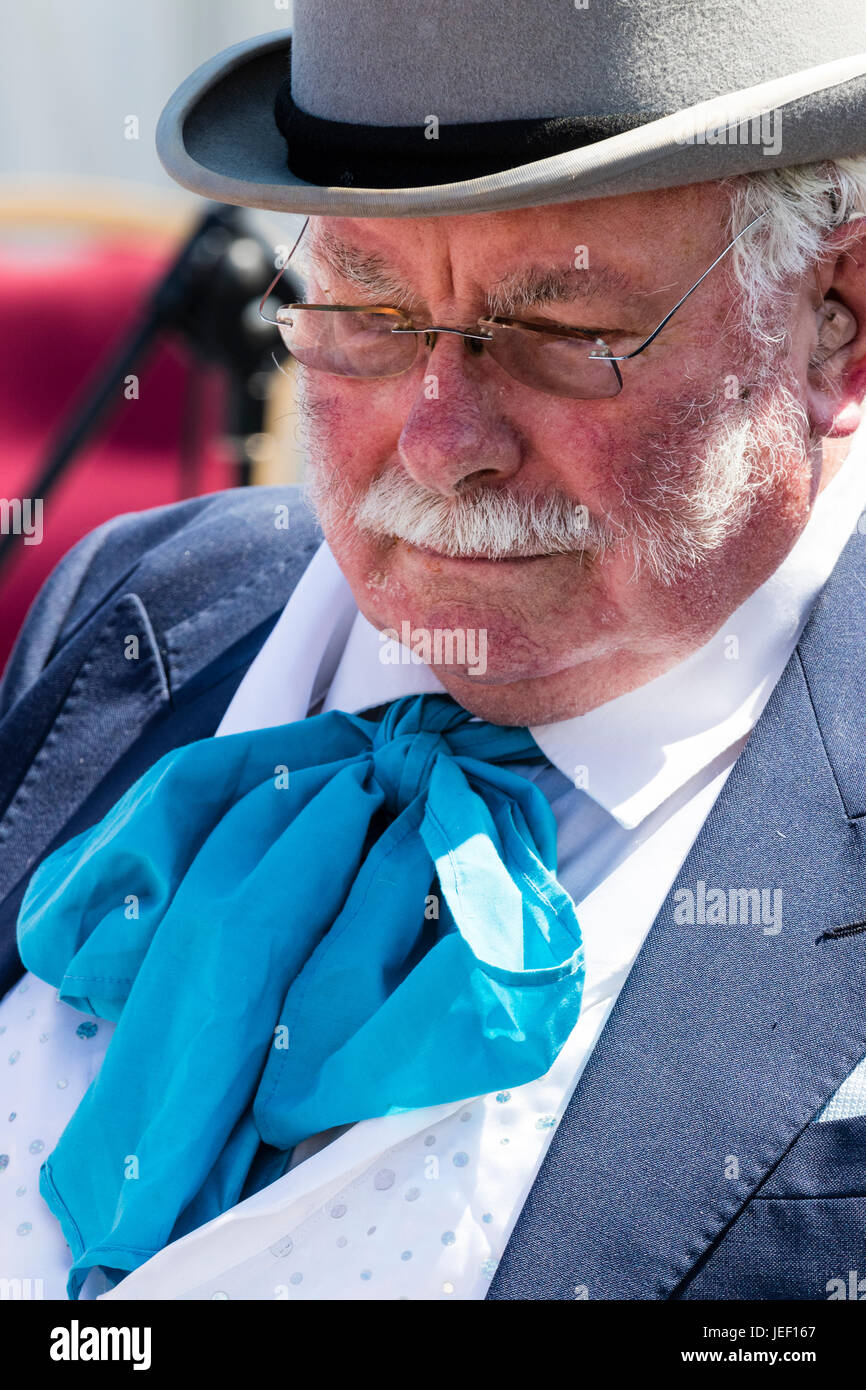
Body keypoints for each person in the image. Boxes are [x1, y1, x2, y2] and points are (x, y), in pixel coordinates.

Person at [2, 0, 866, 1302]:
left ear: (835, 319)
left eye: (560, 331)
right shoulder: (142, 605)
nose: (438, 439)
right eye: (369, 307)